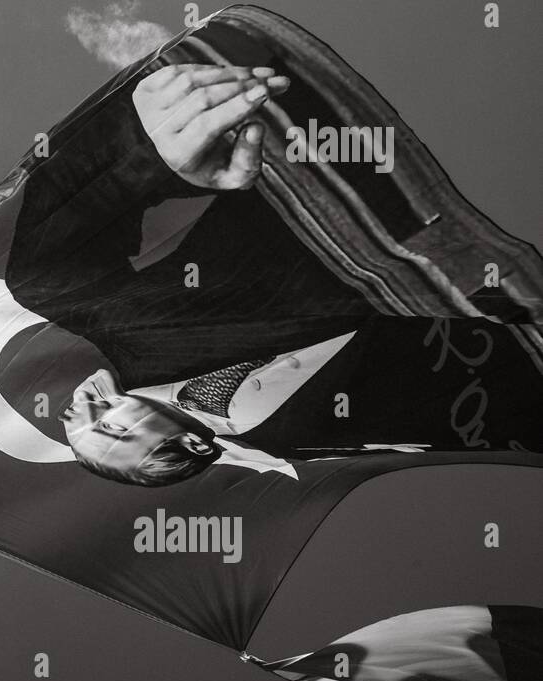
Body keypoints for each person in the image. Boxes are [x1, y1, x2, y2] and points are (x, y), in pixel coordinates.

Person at [29, 62, 543, 486]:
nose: (82, 415)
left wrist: (147, 150)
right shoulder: (292, 445)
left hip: (352, 166)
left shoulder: (123, 328)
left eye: (77, 423)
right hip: (500, 280)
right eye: (113, 435)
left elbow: (45, 263)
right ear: (190, 444)